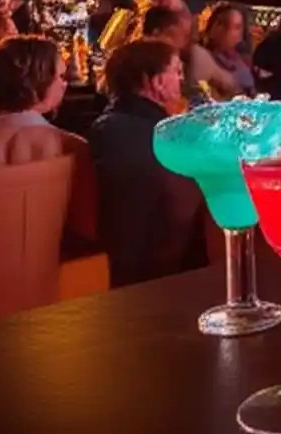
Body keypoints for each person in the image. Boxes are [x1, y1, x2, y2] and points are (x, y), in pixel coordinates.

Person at [89, 39, 207, 288]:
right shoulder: (165, 135)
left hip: (122, 268)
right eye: (176, 72)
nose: (181, 80)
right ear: (156, 82)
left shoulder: (108, 127)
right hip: (163, 271)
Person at [0, 36, 98, 243]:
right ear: (38, 84)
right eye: (60, 76)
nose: (64, 84)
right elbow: (86, 228)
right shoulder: (73, 147)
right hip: (50, 270)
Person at [191, 3, 254, 100]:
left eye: (237, 27)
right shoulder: (200, 57)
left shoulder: (244, 61)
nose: (227, 30)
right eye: (221, 23)